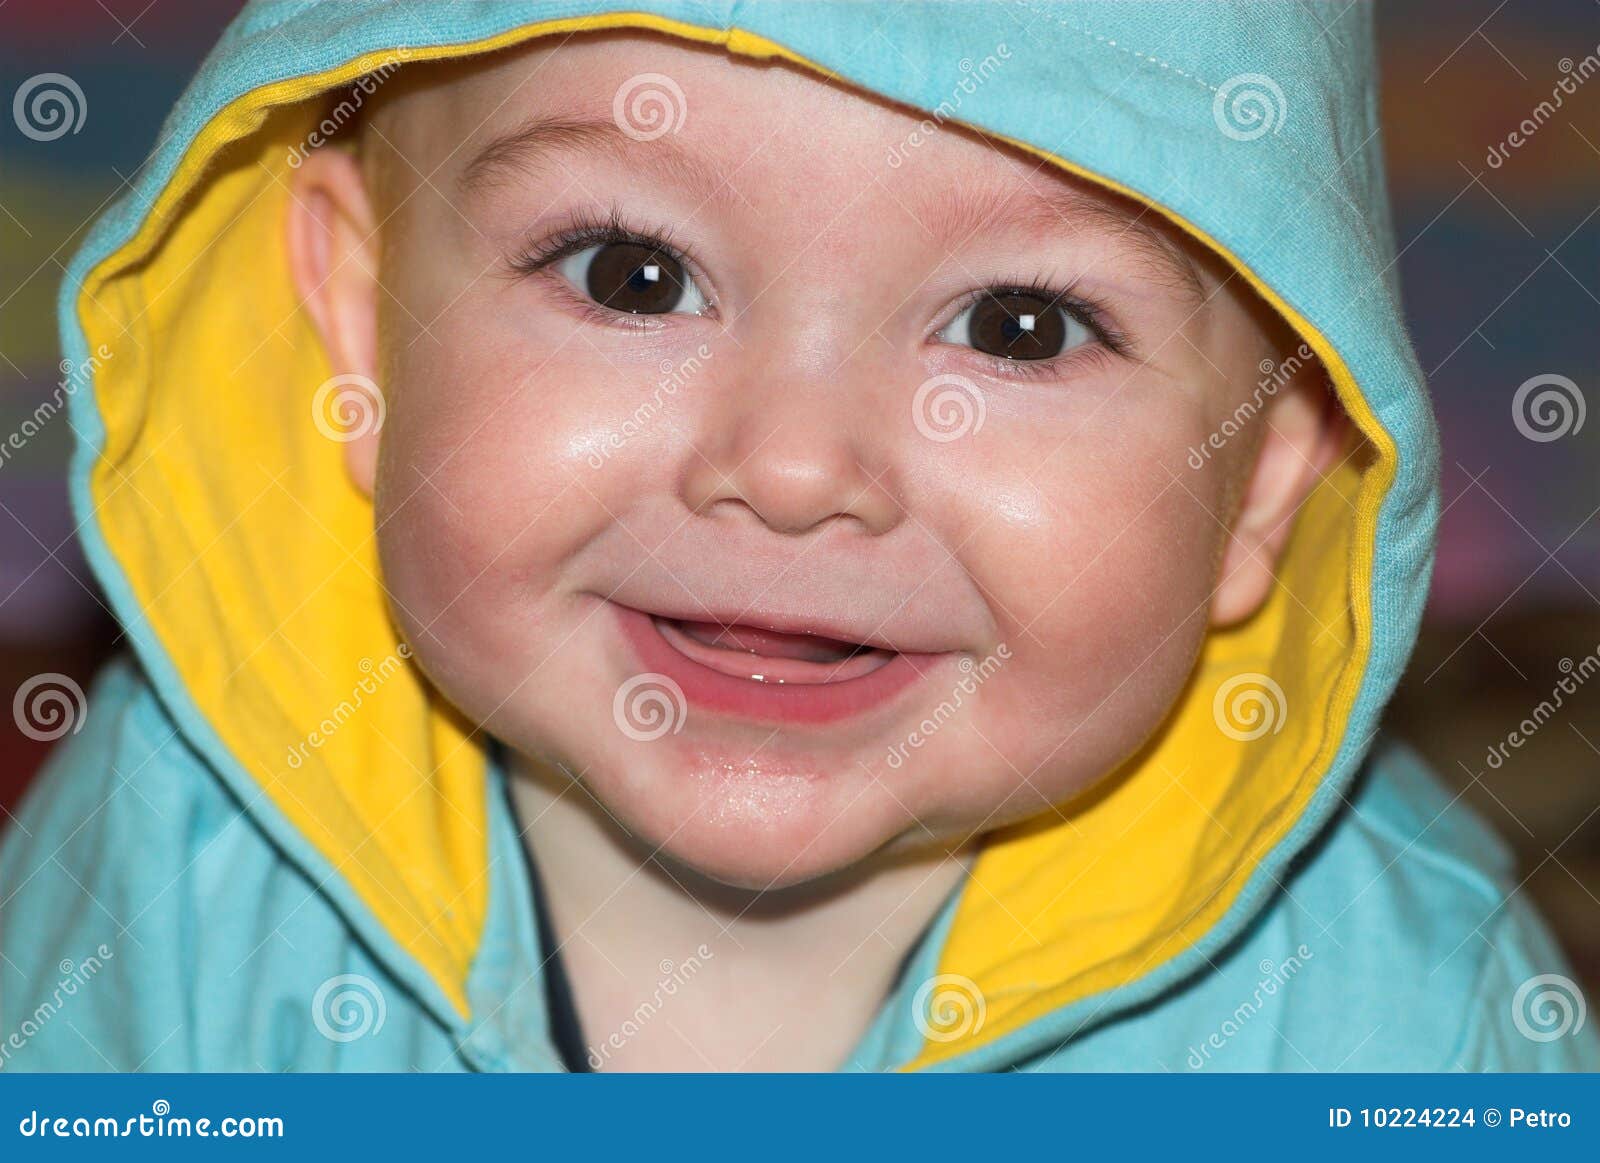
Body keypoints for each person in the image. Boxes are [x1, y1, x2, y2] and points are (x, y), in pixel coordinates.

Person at [3, 1, 1594, 1072]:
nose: (791, 468)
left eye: (1022, 325)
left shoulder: (1404, 1019)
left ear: (1259, 479)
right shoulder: (165, 874)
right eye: (632, 274)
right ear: (364, 324)